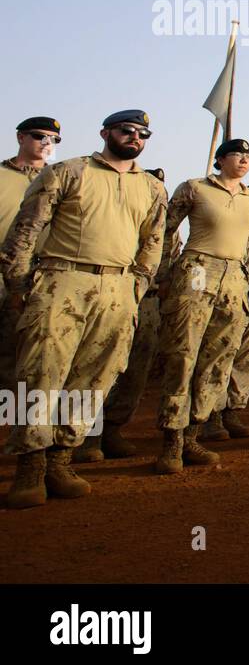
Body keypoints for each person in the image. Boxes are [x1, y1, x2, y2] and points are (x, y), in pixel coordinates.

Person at [2, 110, 166, 509]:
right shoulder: (67, 172)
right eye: (126, 130)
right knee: (40, 372)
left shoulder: (151, 188)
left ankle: (61, 458)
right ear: (106, 132)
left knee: (95, 377)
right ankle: (31, 465)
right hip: (62, 279)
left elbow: (153, 242)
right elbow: (26, 230)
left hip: (118, 287)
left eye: (142, 133)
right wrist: (21, 284)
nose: (134, 136)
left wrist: (136, 286)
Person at [153, 139, 249, 475]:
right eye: (237, 155)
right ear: (220, 160)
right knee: (183, 353)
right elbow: (165, 231)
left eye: (248, 156)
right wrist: (164, 274)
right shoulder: (194, 188)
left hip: (233, 276)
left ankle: (192, 435)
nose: (244, 160)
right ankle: (171, 440)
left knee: (218, 357)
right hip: (198, 269)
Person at [73, 168, 169, 462]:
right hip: (115, 292)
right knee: (96, 364)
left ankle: (113, 429)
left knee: (134, 371)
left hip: (149, 301)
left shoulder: (167, 228)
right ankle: (86, 434)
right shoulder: (117, 219)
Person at [202, 181, 249, 440]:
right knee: (221, 359)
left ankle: (231, 411)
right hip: (236, 304)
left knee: (248, 364)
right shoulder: (239, 229)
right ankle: (210, 415)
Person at [0, 116, 61, 397]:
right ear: (20, 138)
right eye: (39, 136)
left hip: (38, 272)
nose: (46, 143)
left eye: (53, 139)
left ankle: (11, 412)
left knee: (27, 344)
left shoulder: (60, 180)